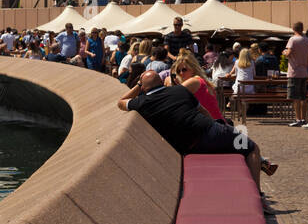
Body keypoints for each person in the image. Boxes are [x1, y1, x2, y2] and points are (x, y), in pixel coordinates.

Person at [118, 71, 276, 187]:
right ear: (161, 82)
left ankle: (261, 162)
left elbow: (121, 102)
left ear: (144, 87)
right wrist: (221, 127)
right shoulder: (180, 90)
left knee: (229, 132)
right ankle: (258, 194)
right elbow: (204, 113)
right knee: (251, 147)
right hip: (209, 132)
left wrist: (138, 86)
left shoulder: (142, 103)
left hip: (187, 146)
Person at [284, 21, 308, 127]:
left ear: (293, 29)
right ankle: (304, 119)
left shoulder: (292, 39)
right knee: (303, 97)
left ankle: (298, 119)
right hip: (304, 71)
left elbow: (289, 52)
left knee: (295, 97)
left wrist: (285, 52)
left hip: (294, 71)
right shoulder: (307, 40)